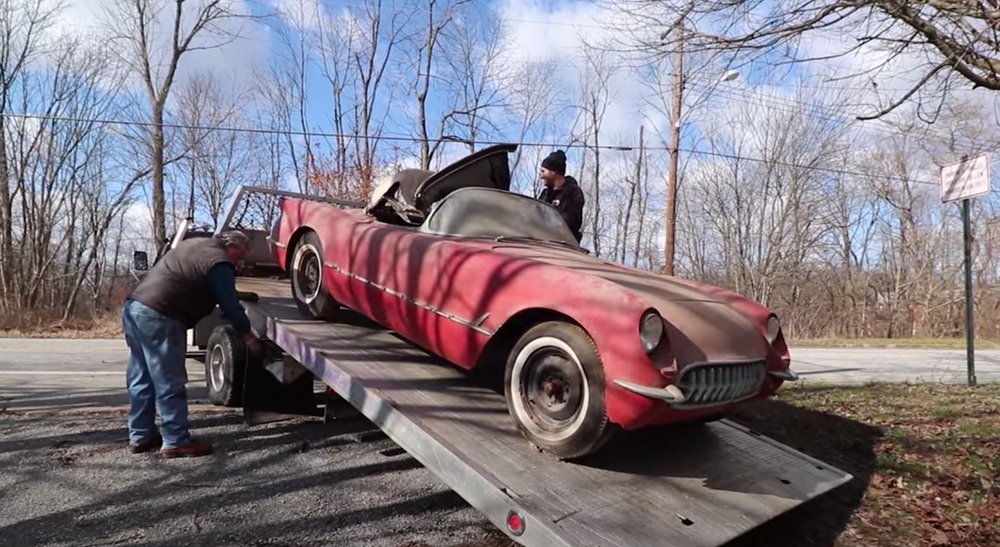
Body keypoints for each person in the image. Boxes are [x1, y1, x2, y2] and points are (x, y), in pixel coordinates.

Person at [121, 230, 261, 457]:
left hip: (135, 309)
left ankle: (140, 435)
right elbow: (229, 304)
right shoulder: (220, 261)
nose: (238, 261)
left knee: (141, 377)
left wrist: (236, 293)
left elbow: (194, 277)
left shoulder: (194, 244)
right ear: (231, 246)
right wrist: (247, 335)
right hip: (162, 316)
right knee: (169, 381)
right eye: (240, 255)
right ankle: (175, 440)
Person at [537, 150, 585, 242]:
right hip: (541, 243)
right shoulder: (545, 194)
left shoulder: (573, 193)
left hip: (565, 245)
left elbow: (568, 221)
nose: (541, 176)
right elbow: (535, 214)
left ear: (553, 171)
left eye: (543, 171)